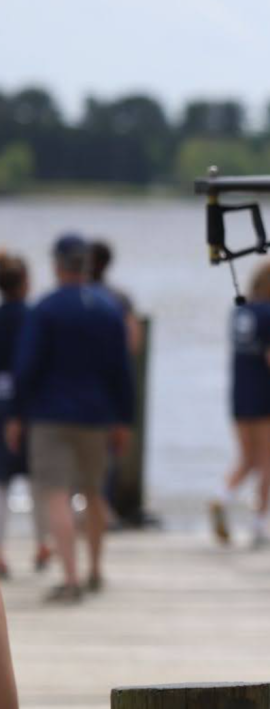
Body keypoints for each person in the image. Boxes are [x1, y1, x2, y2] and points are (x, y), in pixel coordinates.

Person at [6, 234, 134, 603]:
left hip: (50, 416)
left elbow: (26, 368)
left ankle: (71, 577)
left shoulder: (44, 309)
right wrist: (123, 419)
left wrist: (16, 415)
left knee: (55, 493)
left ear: (58, 265)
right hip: (97, 416)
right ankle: (95, 569)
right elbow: (121, 371)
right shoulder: (109, 310)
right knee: (94, 492)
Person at [211, 260, 270, 547]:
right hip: (267, 392)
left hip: (240, 392)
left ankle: (223, 496)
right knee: (267, 459)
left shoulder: (239, 311)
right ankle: (260, 522)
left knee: (247, 456)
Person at [0, 252, 50, 578]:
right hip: (33, 405)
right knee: (40, 482)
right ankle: (42, 543)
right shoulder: (36, 318)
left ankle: (1, 552)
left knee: (1, 485)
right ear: (26, 282)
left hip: (1, 403)